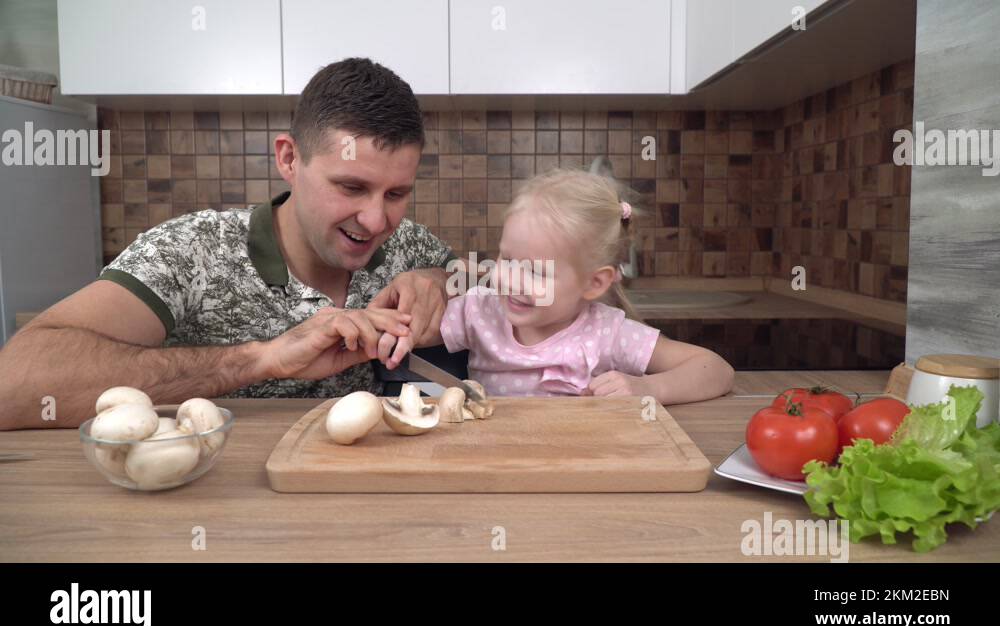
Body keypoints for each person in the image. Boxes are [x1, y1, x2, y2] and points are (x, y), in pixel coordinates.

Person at [0, 58, 453, 429]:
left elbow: (506, 285)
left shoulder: (408, 247)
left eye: (396, 194)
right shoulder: (191, 251)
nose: (376, 221)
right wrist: (261, 359)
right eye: (352, 188)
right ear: (289, 159)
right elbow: (15, 384)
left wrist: (443, 280)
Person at [395, 168, 735, 404]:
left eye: (536, 272)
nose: (511, 281)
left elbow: (715, 369)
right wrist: (394, 333)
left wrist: (647, 387)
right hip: (497, 466)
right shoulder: (480, 312)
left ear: (594, 282)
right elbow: (412, 327)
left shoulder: (606, 333)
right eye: (507, 259)